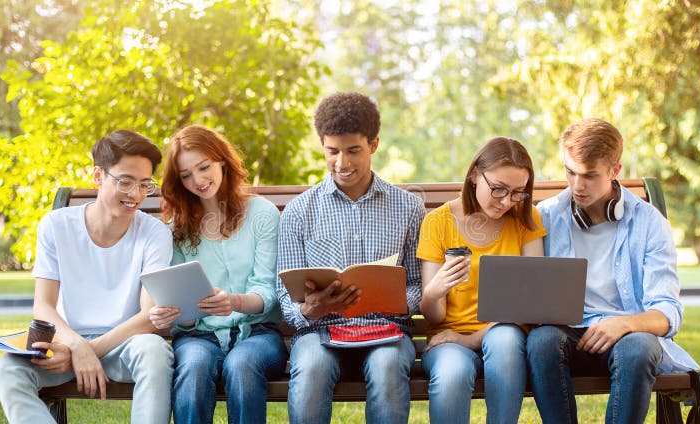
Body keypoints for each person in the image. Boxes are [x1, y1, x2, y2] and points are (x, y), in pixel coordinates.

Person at [0, 130, 175, 423]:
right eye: (125, 182)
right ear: (98, 176)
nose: (136, 195)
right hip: (65, 344)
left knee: (155, 352)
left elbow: (149, 314)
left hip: (124, 345)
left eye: (144, 185)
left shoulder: (155, 234)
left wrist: (89, 351)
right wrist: (76, 347)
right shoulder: (56, 225)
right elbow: (43, 306)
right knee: (4, 370)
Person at [527, 118, 700, 423]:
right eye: (570, 172)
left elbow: (668, 311)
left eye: (590, 176)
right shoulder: (547, 216)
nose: (577, 186)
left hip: (627, 339)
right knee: (542, 341)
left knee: (638, 347)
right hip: (565, 337)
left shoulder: (649, 223)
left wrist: (623, 324)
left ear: (614, 170)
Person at [276, 92, 425, 424]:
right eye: (333, 152)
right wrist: (307, 309)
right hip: (321, 332)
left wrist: (397, 300)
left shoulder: (408, 208)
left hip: (385, 330)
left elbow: (417, 282)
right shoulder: (300, 211)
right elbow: (284, 294)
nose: (342, 163)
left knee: (387, 367)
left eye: (353, 150)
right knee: (312, 367)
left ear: (373, 144)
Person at [149, 124, 287, 424]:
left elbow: (269, 291)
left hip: (258, 334)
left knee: (241, 364)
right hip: (199, 335)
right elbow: (184, 311)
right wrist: (173, 314)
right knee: (195, 366)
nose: (198, 180)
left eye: (204, 167)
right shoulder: (176, 229)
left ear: (222, 160)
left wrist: (235, 302)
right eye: (186, 175)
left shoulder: (261, 214)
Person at [417, 137, 545, 423]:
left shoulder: (527, 219)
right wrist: (435, 291)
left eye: (517, 193)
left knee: (506, 341)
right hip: (447, 339)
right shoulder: (437, 222)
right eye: (498, 189)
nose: (505, 201)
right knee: (452, 373)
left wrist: (472, 340)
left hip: (504, 333)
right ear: (475, 174)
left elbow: (531, 304)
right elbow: (434, 316)